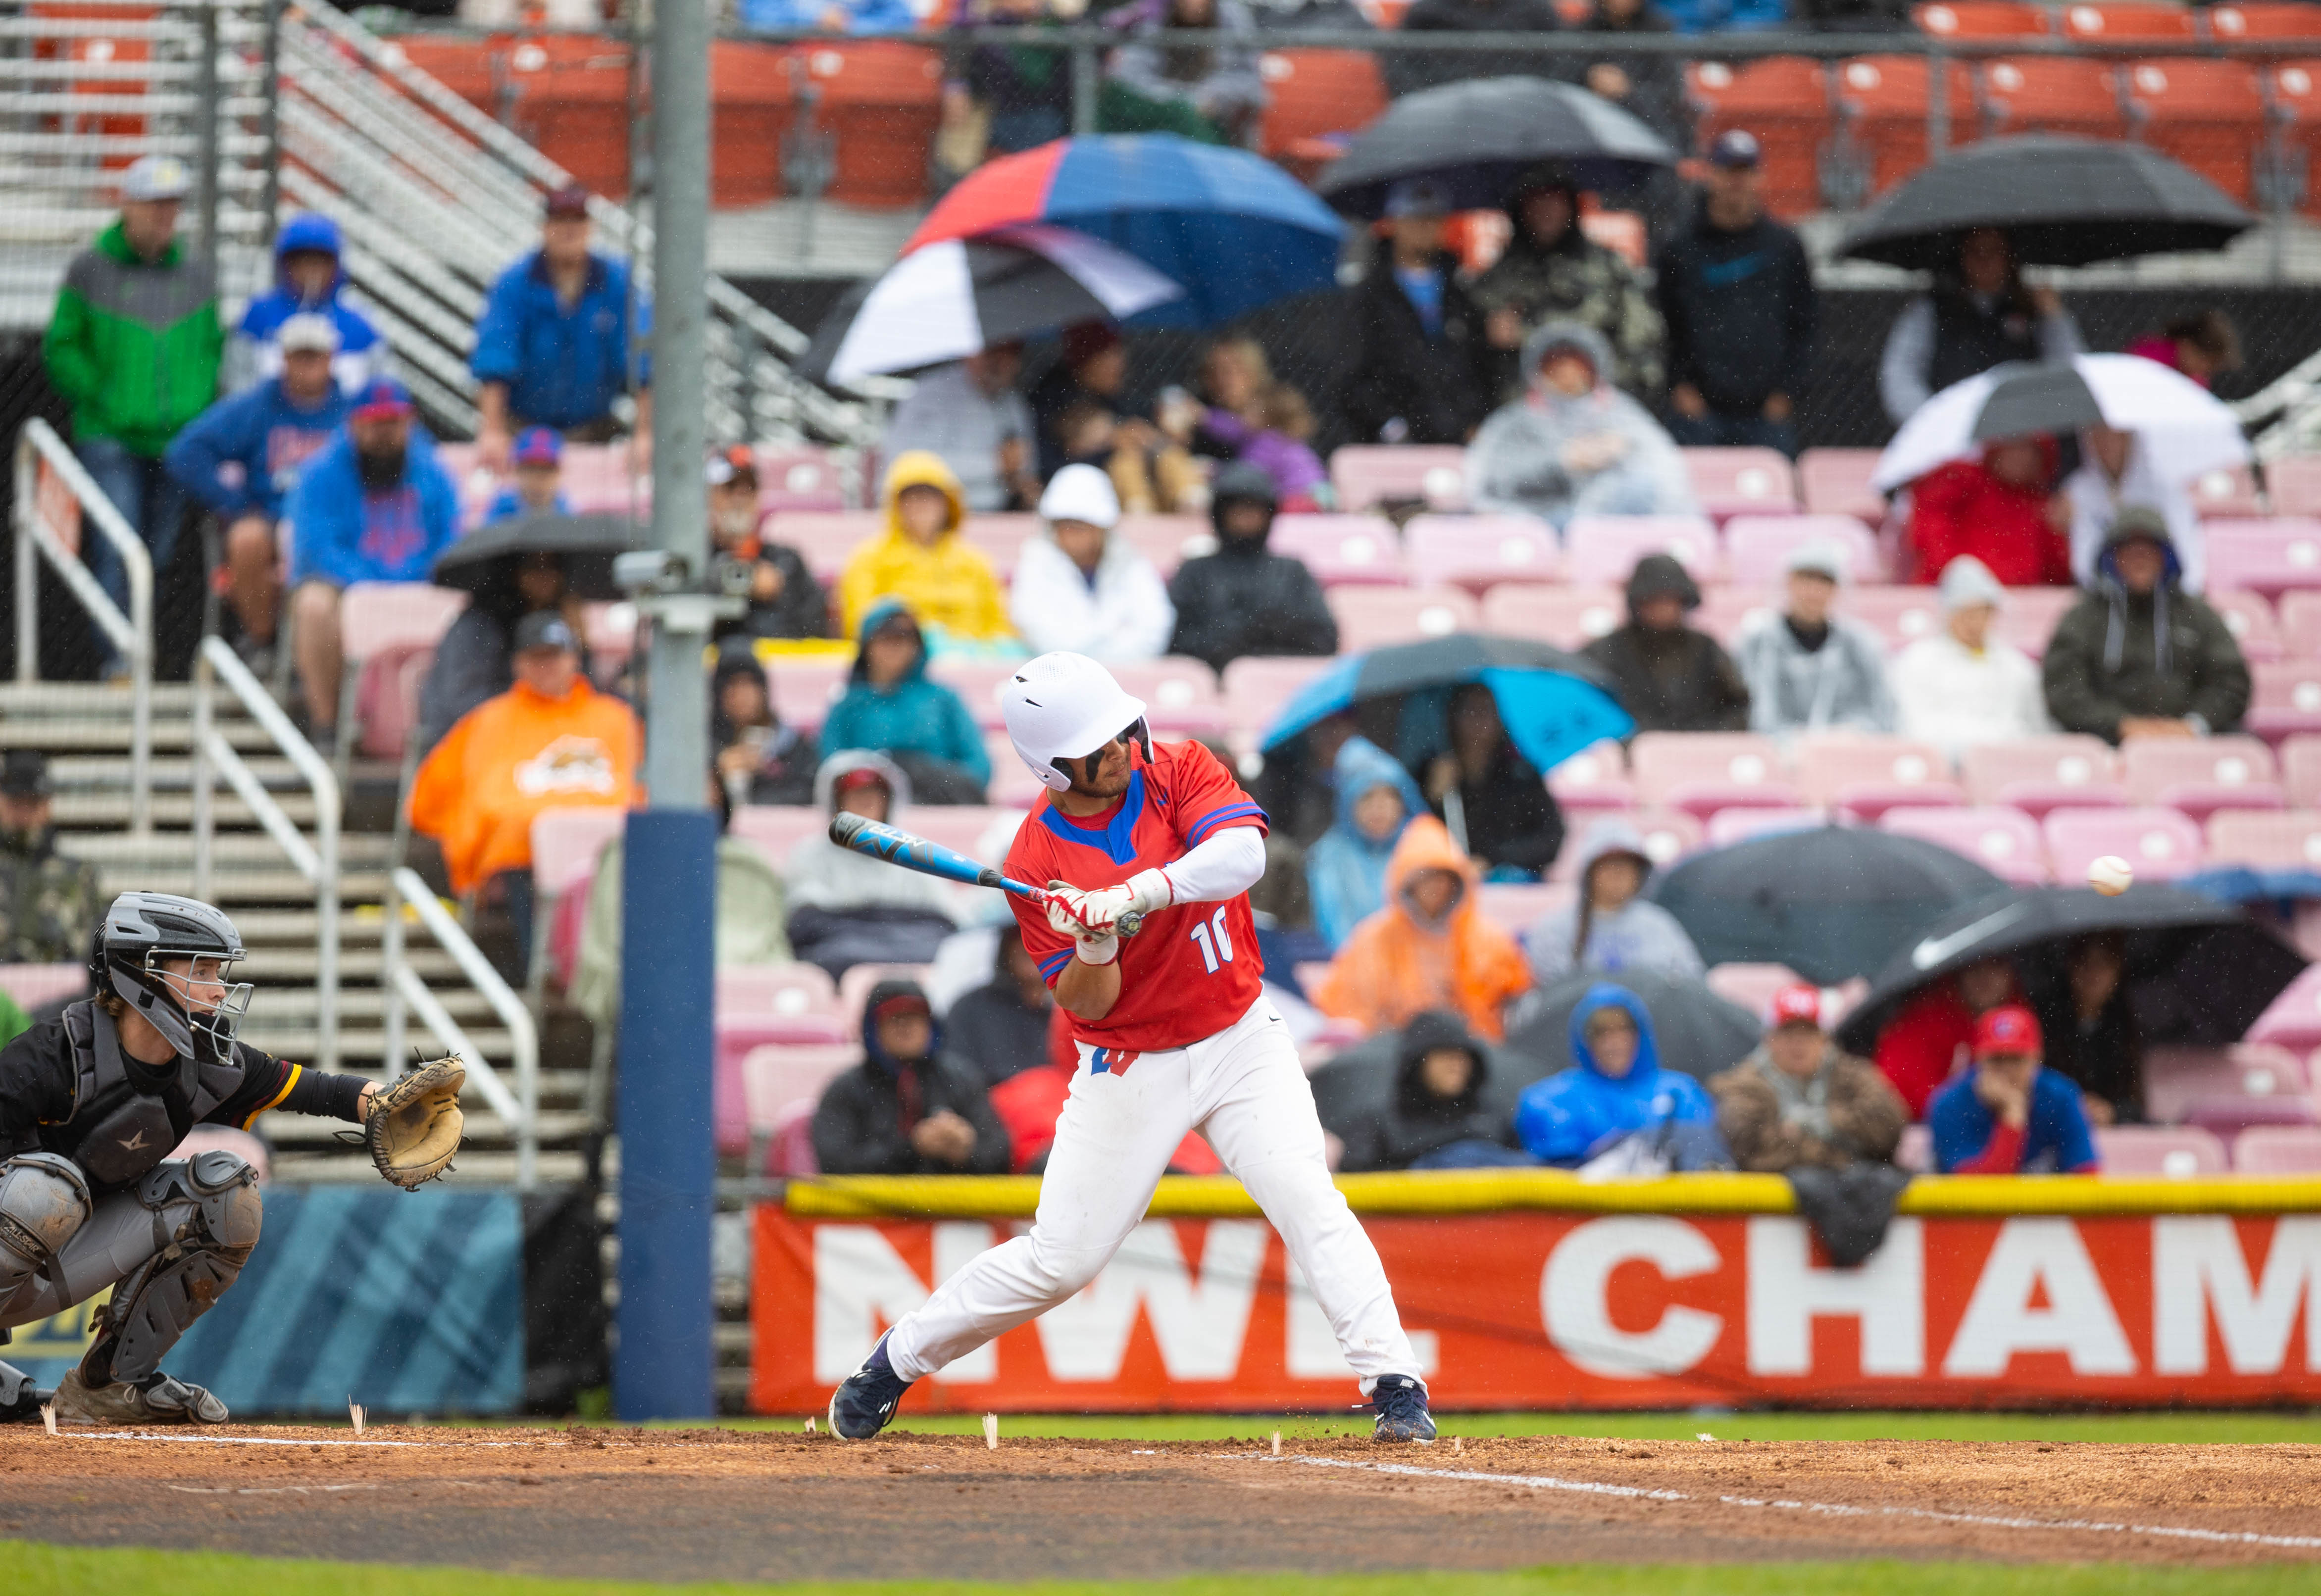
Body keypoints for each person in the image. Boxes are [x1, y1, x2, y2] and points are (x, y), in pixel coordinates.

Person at [824, 651, 1439, 1444]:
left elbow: (1242, 858)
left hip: (1240, 1036)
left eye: (1121, 732)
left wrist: (1139, 892)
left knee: (1307, 1198)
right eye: (1097, 744)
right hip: (1130, 1065)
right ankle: (895, 1360)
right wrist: (1095, 944)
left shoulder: (1178, 766)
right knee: (1062, 1262)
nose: (1118, 749)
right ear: (1052, 767)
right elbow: (1085, 1005)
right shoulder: (1036, 859)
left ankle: (1396, 1388)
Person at [0, 893, 397, 1424]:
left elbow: (317, 1090)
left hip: (59, 1258)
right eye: (202, 970)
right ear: (141, 975)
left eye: (218, 971)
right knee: (47, 1190)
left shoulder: (210, 1064)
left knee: (227, 1194)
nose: (219, 989)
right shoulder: (56, 1053)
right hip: (22, 1227)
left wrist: (388, 1103)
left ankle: (111, 1383)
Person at [43, 154, 220, 668]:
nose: (167, 217)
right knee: (120, 550)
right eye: (157, 205)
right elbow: (62, 347)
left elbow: (212, 348)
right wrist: (105, 396)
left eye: (174, 206)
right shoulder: (90, 267)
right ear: (130, 206)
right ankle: (118, 660)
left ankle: (136, 652)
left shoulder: (196, 273)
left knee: (159, 555)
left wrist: (196, 405)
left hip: (175, 438)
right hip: (111, 434)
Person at [407, 613, 641, 974]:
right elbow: (450, 791)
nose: (546, 666)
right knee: (518, 838)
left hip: (611, 850)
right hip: (528, 855)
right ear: (518, 664)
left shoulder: (615, 718)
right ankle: (541, 967)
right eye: (537, 657)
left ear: (574, 659)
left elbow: (639, 788)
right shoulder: (492, 719)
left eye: (555, 655)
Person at [162, 313, 351, 674]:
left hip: (335, 526)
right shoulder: (259, 406)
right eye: (300, 356)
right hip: (273, 517)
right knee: (247, 537)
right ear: (285, 358)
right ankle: (265, 642)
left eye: (316, 356)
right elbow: (186, 452)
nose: (308, 365)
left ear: (331, 358)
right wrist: (236, 503)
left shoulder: (350, 412)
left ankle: (327, 658)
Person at [282, 379, 462, 746]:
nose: (385, 434)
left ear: (409, 424)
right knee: (313, 605)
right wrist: (375, 583)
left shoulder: (432, 469)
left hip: (421, 583)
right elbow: (316, 549)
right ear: (354, 425)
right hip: (348, 586)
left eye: (394, 424)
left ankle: (445, 726)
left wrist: (415, 577)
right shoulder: (320, 472)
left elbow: (452, 537)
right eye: (375, 424)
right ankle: (329, 727)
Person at [569, 775, 791, 1036]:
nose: (694, 799)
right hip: (656, 982)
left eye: (705, 790)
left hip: (739, 978)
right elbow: (613, 941)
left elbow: (760, 942)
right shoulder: (625, 855)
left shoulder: (749, 864)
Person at [1657, 132, 1817, 458]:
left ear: (1760, 178)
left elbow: (1806, 323)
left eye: (1746, 172)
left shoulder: (1785, 246)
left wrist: (1787, 393)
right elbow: (1664, 324)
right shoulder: (1681, 248)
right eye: (1729, 171)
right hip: (1698, 414)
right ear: (1711, 175)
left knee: (1773, 505)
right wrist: (1680, 387)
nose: (1737, 182)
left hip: (1766, 415)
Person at [470, 185, 651, 474]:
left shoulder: (616, 281)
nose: (569, 230)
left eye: (577, 220)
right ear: (544, 227)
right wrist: (492, 431)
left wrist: (645, 434)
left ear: (591, 227)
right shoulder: (515, 282)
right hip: (524, 436)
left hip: (595, 432)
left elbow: (644, 361)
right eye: (559, 220)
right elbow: (495, 357)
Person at [1312, 815, 1532, 1041]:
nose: (1436, 886)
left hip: (1470, 1052)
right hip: (1398, 1055)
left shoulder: (1489, 940)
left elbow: (1516, 1003)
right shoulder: (1373, 939)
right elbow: (1349, 1010)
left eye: (1443, 877)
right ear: (1407, 882)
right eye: (1426, 877)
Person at [2043, 509, 2249, 747]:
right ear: (2112, 558)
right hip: (2105, 743)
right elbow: (2064, 690)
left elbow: (2231, 682)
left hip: (2192, 742)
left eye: (2149, 550)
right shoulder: (2083, 617)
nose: (2139, 559)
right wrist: (2120, 725)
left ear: (2167, 557)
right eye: (2129, 550)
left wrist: (2195, 724)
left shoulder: (2197, 614)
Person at [1467, 323, 1693, 532]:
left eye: (1576, 366)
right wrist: (1562, 464)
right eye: (1556, 367)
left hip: (1612, 535)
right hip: (1540, 531)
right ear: (1538, 372)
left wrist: (1618, 456)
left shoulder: (1623, 415)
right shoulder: (1512, 423)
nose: (1568, 375)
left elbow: (1667, 483)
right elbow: (1487, 488)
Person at [1470, 163, 1665, 404]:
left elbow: (1644, 344)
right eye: (1536, 201)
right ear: (1520, 209)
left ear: (1572, 206)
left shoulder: (1609, 268)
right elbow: (1467, 359)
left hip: (1602, 413)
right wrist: (1491, 339)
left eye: (1555, 200)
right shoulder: (1497, 280)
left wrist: (1596, 386)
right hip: (1524, 416)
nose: (1546, 211)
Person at [1336, 178, 1499, 449]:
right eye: (1415, 219)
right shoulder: (1370, 295)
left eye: (1433, 219)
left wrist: (1477, 420)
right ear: (1394, 223)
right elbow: (1352, 374)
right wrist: (1391, 425)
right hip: (1396, 444)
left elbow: (1479, 365)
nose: (1425, 228)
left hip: (1462, 438)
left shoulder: (1461, 292)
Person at [1879, 226, 2083, 425]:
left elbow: (2070, 371)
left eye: (1995, 250)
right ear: (1960, 257)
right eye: (1975, 251)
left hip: (2020, 440)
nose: (1985, 260)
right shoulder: (1931, 310)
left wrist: (2055, 318)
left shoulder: (2033, 309)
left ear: (2010, 257)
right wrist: (1933, 423)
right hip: (1953, 436)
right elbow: (1900, 374)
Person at [785, 752, 959, 978]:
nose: (866, 802)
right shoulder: (810, 854)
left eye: (874, 795)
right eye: (855, 795)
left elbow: (945, 920)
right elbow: (806, 925)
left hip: (914, 949)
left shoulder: (916, 852)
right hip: (842, 952)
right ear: (836, 803)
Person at [811, 980, 1011, 1176]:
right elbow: (834, 1164)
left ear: (931, 1025)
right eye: (895, 1018)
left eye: (915, 1018)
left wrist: (967, 1151)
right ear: (872, 1029)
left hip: (952, 1207)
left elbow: (1000, 1154)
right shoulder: (845, 1089)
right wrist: (911, 1148)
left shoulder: (963, 1078)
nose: (906, 1027)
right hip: (873, 1208)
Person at [1512, 984, 1721, 1168]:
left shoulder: (1681, 1092)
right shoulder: (1552, 1099)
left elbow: (1703, 1155)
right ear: (1585, 1041)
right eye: (1602, 1032)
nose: (1614, 1042)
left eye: (1624, 1030)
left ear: (1640, 1035)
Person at [1709, 983, 1906, 1172]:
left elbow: (1888, 1128)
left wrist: (1814, 1125)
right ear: (1769, 1038)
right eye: (1788, 1031)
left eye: (1809, 1031)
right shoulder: (1742, 1084)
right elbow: (1755, 1152)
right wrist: (1845, 1152)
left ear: (1825, 1038)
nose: (1799, 1042)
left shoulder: (1855, 1074)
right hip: (1776, 1205)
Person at [415, 549, 592, 758]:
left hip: (541, 742)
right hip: (466, 745)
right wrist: (532, 717)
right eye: (534, 567)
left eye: (554, 568)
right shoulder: (478, 624)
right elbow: (464, 702)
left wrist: (579, 642)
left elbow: (583, 690)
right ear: (514, 573)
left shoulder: (561, 619)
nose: (545, 576)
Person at [1164, 462, 1339, 672]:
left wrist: (1272, 632)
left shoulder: (1292, 571)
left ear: (1269, 515)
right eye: (1238, 508)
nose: (1246, 516)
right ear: (1220, 514)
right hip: (1212, 680)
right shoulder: (1195, 571)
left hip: (1282, 683)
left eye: (1254, 508)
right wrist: (1231, 636)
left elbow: (1324, 639)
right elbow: (1174, 642)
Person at [838, 452, 1012, 648]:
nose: (921, 506)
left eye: (930, 498)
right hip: (903, 669)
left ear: (948, 504)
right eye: (912, 498)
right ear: (897, 506)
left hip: (974, 662)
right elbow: (861, 624)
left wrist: (979, 652)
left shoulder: (975, 561)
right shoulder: (869, 558)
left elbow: (1000, 625)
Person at [821, 601, 991, 802]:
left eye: (904, 640)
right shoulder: (847, 705)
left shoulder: (944, 699)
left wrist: (923, 774)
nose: (895, 648)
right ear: (867, 646)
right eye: (886, 639)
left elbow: (980, 769)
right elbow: (831, 771)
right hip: (871, 813)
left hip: (938, 805)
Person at [1890, 555, 2051, 760]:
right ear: (1948, 613)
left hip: (2006, 767)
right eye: (1966, 613)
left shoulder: (2016, 668)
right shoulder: (1917, 663)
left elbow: (2035, 730)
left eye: (1982, 613)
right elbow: (1912, 727)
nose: (1974, 623)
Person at [1009, 464, 1175, 661]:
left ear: (1102, 528)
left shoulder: (1130, 562)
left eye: (1081, 526)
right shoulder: (1036, 560)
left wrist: (1101, 657)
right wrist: (1110, 634)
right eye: (1064, 525)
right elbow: (1038, 631)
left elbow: (1154, 628)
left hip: (1127, 677)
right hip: (1058, 679)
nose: (1071, 534)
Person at [1337, 1009, 1530, 1172]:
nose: (1456, 1066)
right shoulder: (1378, 1125)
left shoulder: (1494, 1117)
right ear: (1416, 1063)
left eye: (1463, 1057)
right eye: (1444, 1056)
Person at [1736, 542, 1895, 737]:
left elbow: (1880, 712)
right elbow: (1753, 714)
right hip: (1775, 759)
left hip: (1847, 756)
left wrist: (1845, 736)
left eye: (1825, 581)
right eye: (1806, 579)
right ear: (1789, 583)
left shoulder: (1860, 646)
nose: (1814, 590)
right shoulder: (1756, 643)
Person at [1581, 553, 1751, 732]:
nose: (1664, 608)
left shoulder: (1705, 648)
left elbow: (1737, 706)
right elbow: (1593, 708)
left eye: (1671, 599)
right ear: (1638, 602)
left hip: (1702, 749)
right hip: (1632, 748)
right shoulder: (1607, 650)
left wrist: (1705, 738)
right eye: (1655, 600)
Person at [1524, 815, 1702, 985]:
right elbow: (1549, 999)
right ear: (1589, 873)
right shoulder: (1554, 930)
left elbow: (1691, 986)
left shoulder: (1660, 925)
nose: (1618, 874)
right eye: (1609, 865)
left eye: (1627, 866)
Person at [228, 211, 386, 397]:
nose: (312, 271)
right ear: (285, 266)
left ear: (336, 267)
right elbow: (237, 384)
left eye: (320, 263)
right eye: (302, 262)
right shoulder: (260, 314)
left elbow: (380, 392)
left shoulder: (360, 322)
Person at [1929, 1004, 2099, 1174]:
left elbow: (2086, 1174)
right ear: (1979, 1059)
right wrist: (2012, 1115)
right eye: (1997, 1059)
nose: (2007, 1070)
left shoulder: (2061, 1096)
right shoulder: (1950, 1104)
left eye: (2016, 1059)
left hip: (2044, 1201)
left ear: (2037, 1058)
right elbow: (1979, 1192)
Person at [1422, 684, 1565, 880]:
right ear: (1452, 717)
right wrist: (1434, 799)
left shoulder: (1521, 774)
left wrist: (1493, 860)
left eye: (1486, 711)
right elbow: (1415, 834)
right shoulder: (1431, 771)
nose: (1479, 721)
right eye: (1470, 711)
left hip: (1512, 885)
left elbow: (1550, 838)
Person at [878, 345, 1041, 514]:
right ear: (971, 354)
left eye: (1009, 357)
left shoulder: (1014, 405)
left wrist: (1023, 484)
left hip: (999, 515)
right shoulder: (930, 393)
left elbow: (1026, 470)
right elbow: (906, 464)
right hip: (935, 518)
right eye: (993, 356)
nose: (999, 365)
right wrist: (994, 464)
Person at [1306, 737, 1427, 951]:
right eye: (1367, 797)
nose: (1379, 808)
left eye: (1389, 796)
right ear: (1348, 804)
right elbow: (1335, 930)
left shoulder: (1423, 846)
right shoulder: (1328, 857)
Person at [1902, 435, 2072, 588]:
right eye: (2014, 445)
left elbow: (2056, 575)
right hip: (1952, 594)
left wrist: (2059, 532)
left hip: (2016, 605)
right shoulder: (1960, 481)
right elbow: (1930, 534)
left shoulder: (2041, 506)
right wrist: (1962, 576)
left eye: (2031, 450)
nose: (2022, 457)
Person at [1101, 0, 1267, 146]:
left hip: (1216, 124)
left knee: (1189, 118)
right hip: (1163, 114)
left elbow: (1253, 85)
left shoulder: (1233, 18)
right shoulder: (1157, 15)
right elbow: (1129, 74)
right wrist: (1180, 102)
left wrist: (1210, 98)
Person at [2063, 424, 2205, 594]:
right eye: (2096, 435)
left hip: (2162, 597)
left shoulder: (2163, 488)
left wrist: (2182, 596)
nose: (2105, 444)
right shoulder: (2078, 490)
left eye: (2115, 436)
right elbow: (2084, 561)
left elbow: (2186, 549)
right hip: (2107, 602)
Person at [706, 446, 829, 642]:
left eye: (749, 489)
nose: (741, 498)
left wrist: (779, 593)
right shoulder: (694, 561)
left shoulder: (788, 562)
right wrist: (725, 582)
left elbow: (813, 630)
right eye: (730, 489)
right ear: (709, 496)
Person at [1874, 954, 2020, 1118]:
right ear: (1958, 973)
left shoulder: (2024, 1019)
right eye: (1973, 966)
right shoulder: (1924, 1022)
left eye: (1996, 965)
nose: (1984, 977)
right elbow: (1897, 1090)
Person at [2026, 933, 2142, 1127]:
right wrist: (2071, 1104)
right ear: (2070, 966)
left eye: (2103, 963)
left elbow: (2136, 1101)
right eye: (2084, 961)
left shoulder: (2127, 1022)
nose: (2093, 972)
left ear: (2118, 971)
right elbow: (2030, 1085)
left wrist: (2112, 1111)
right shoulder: (2044, 1018)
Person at [0, 753, 102, 966]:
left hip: (59, 992)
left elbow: (91, 952)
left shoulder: (78, 876)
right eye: (17, 802)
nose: (25, 812)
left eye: (33, 802)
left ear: (47, 805)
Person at [942, 922, 1055, 1089]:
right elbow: (956, 1072)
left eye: (1042, 937)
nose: (1033, 945)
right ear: (1007, 950)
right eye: (1022, 936)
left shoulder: (1076, 1010)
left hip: (1061, 1106)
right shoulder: (972, 1007)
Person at [711, 645, 821, 809]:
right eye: (733, 685)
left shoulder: (790, 742)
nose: (742, 695)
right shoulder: (701, 744)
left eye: (750, 684)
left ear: (763, 690)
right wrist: (718, 770)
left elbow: (810, 791)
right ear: (719, 693)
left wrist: (765, 775)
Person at [1386, 0, 1564, 99]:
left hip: (1522, 105)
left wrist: (1538, 95)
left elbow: (1564, 60)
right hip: (1446, 104)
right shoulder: (1427, 12)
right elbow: (1400, 63)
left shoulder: (1535, 9)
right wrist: (1423, 98)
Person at [2126, 310, 2241, 390]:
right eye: (2206, 361)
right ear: (2188, 345)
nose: (2205, 369)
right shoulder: (2150, 356)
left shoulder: (2195, 380)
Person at [481, 428, 572, 523]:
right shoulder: (501, 509)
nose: (537, 478)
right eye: (530, 470)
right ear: (516, 470)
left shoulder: (568, 513)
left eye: (546, 470)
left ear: (559, 472)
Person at [741, 0, 914, 29]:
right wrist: (814, 20)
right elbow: (754, 16)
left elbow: (902, 18)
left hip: (857, 76)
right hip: (779, 77)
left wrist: (850, 24)